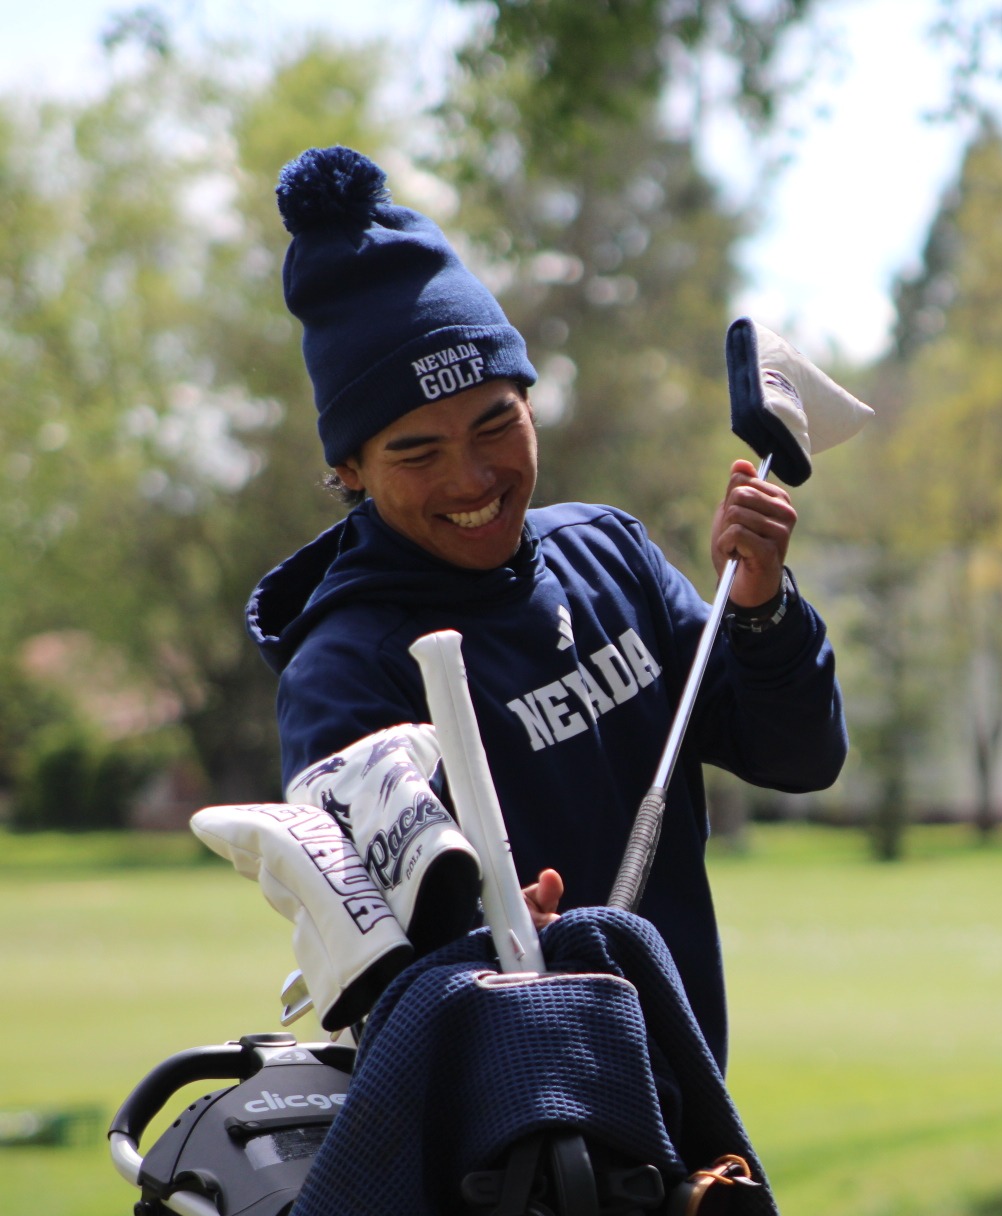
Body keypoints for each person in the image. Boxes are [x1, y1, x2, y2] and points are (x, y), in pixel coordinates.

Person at [247, 145, 846, 1067]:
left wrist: (761, 605)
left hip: (685, 1119)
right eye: (417, 453)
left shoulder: (609, 553)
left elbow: (800, 754)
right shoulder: (344, 671)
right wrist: (475, 955)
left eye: (497, 423)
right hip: (505, 1169)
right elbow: (377, 976)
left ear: (531, 402)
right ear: (349, 471)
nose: (473, 477)